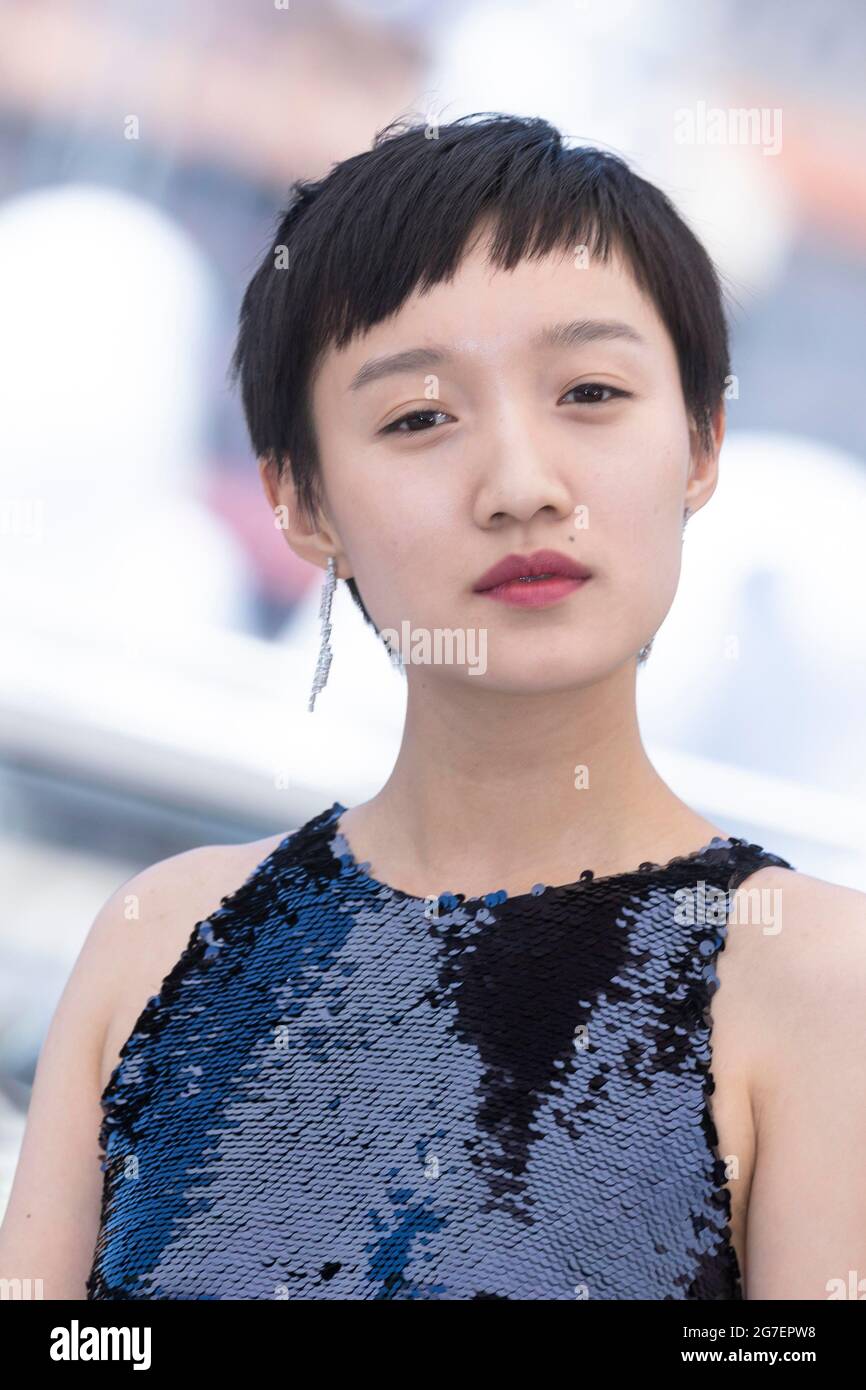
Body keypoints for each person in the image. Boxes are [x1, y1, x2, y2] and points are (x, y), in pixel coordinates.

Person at [2, 114, 864, 1302]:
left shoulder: (819, 980)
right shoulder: (159, 940)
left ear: (701, 441)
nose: (520, 485)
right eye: (418, 417)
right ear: (301, 501)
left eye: (590, 391)